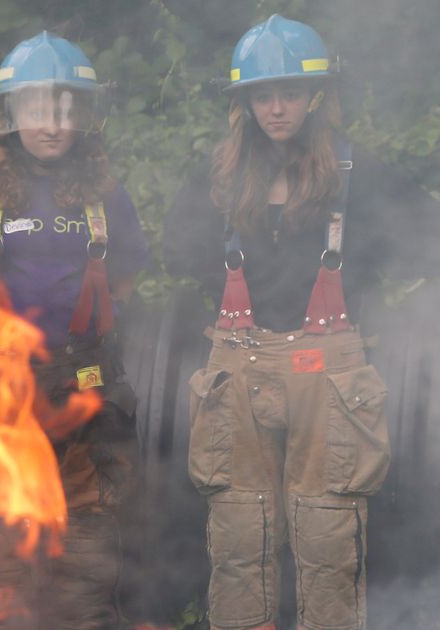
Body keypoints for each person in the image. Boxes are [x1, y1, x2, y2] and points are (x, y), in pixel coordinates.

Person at [163, 15, 440, 630]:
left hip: (332, 377)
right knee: (239, 541)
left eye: (290, 92)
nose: (277, 108)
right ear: (245, 103)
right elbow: (176, 249)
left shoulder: (357, 174)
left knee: (328, 541)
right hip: (238, 372)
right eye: (263, 95)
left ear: (316, 96)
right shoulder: (217, 178)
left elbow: (425, 236)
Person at [0, 32, 148, 629]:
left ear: (85, 114)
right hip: (2, 395)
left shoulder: (108, 196)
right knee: (1, 558)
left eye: (64, 107)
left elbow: (124, 279)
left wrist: (88, 346)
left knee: (85, 560)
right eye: (35, 108)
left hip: (85, 393)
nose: (51, 123)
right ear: (7, 115)